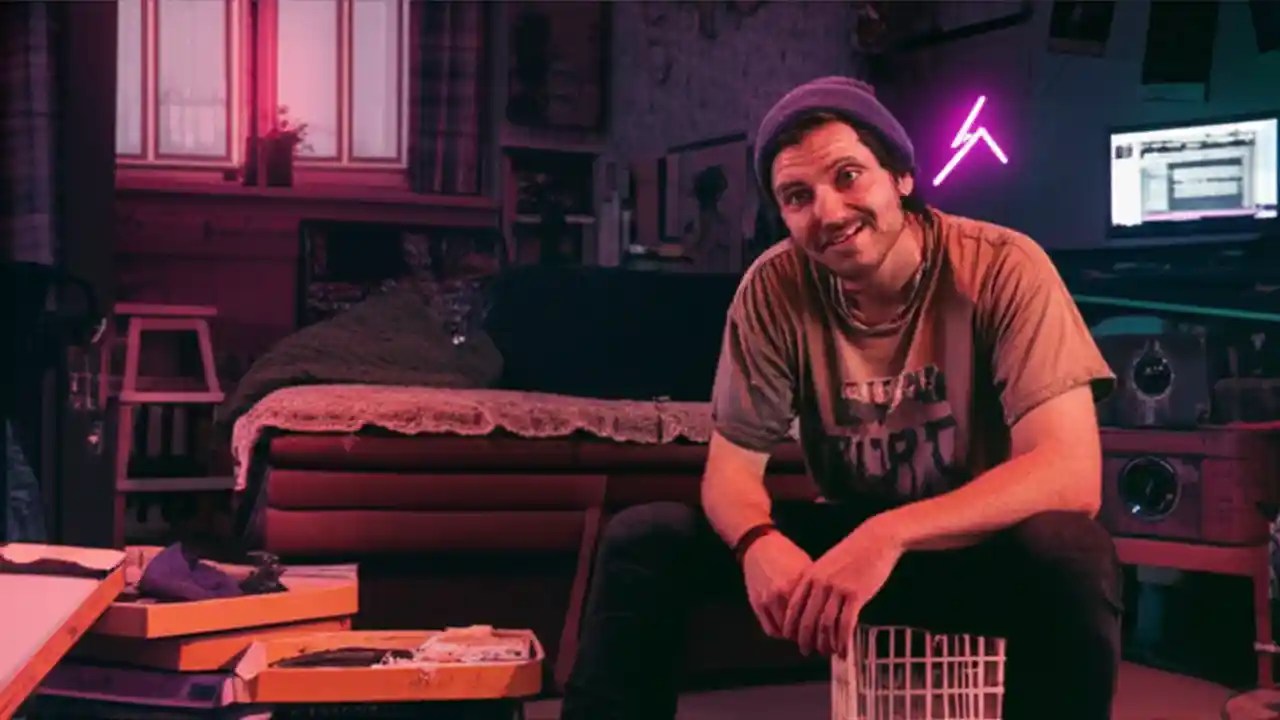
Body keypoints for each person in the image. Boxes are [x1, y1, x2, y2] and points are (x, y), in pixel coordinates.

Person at [560, 76, 1121, 720]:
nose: (827, 212)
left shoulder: (1003, 268)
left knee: (1073, 552)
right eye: (798, 197)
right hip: (840, 563)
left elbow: (1071, 474)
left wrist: (890, 536)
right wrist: (757, 542)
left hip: (975, 550)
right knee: (645, 536)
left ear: (901, 178)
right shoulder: (772, 289)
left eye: (849, 176)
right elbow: (731, 473)